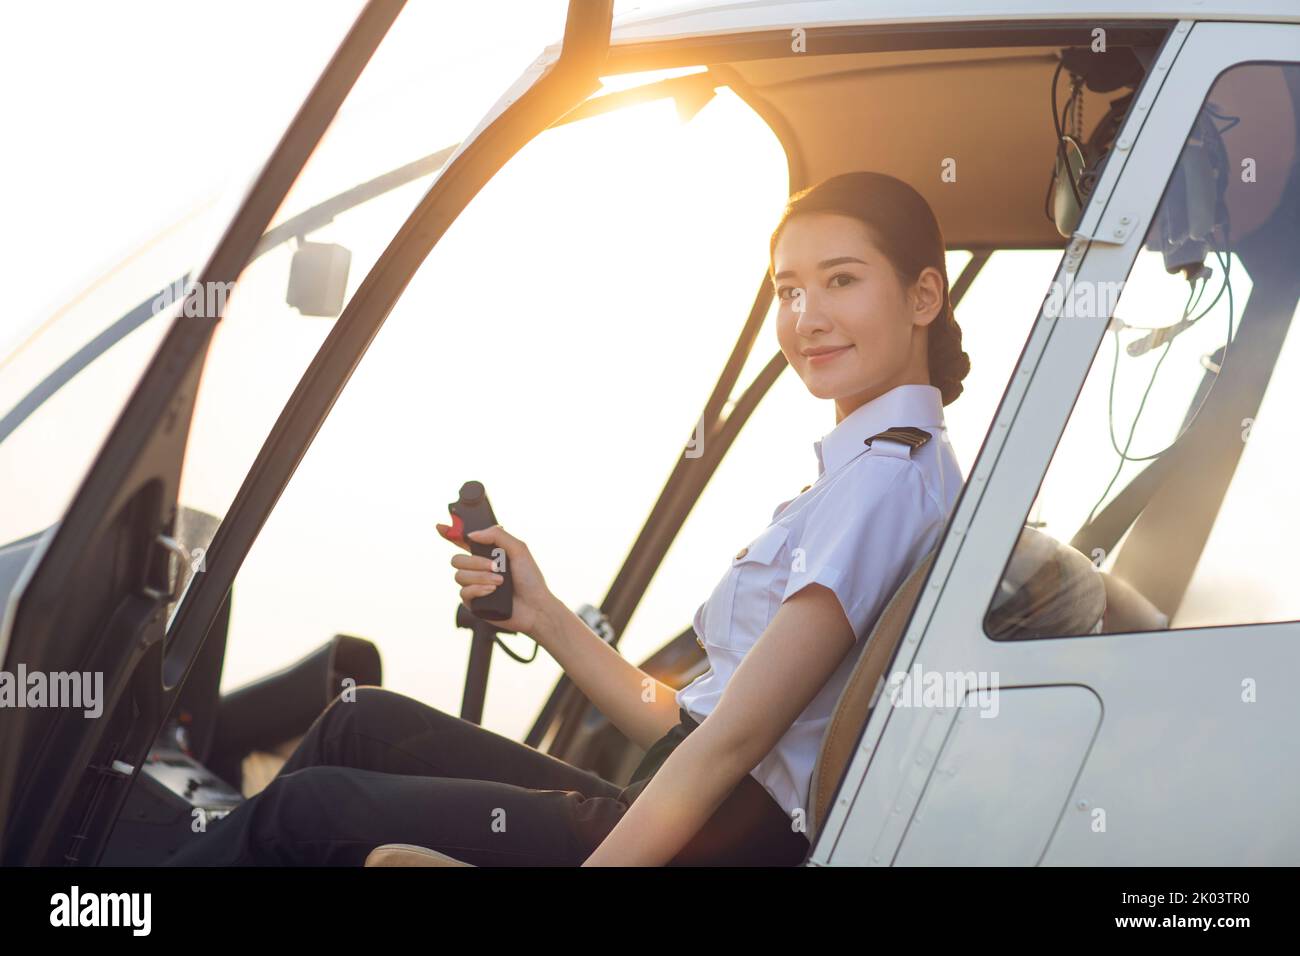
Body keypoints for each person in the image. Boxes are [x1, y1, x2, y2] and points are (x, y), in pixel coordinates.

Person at [164, 170, 969, 867]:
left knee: (305, 811)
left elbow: (729, 748)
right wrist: (539, 613)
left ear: (923, 295)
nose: (805, 317)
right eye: (788, 291)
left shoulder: (884, 486)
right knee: (358, 721)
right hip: (694, 808)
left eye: (840, 280)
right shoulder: (883, 473)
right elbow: (688, 724)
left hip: (705, 838)